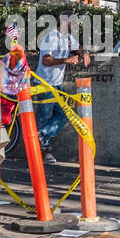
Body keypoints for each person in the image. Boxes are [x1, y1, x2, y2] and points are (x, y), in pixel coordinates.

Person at [35, 12, 89, 164]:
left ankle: (42, 135)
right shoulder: (51, 37)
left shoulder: (67, 36)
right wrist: (66, 59)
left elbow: (78, 47)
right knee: (44, 117)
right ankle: (41, 153)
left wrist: (84, 53)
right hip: (44, 83)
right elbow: (46, 60)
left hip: (57, 84)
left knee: (64, 114)